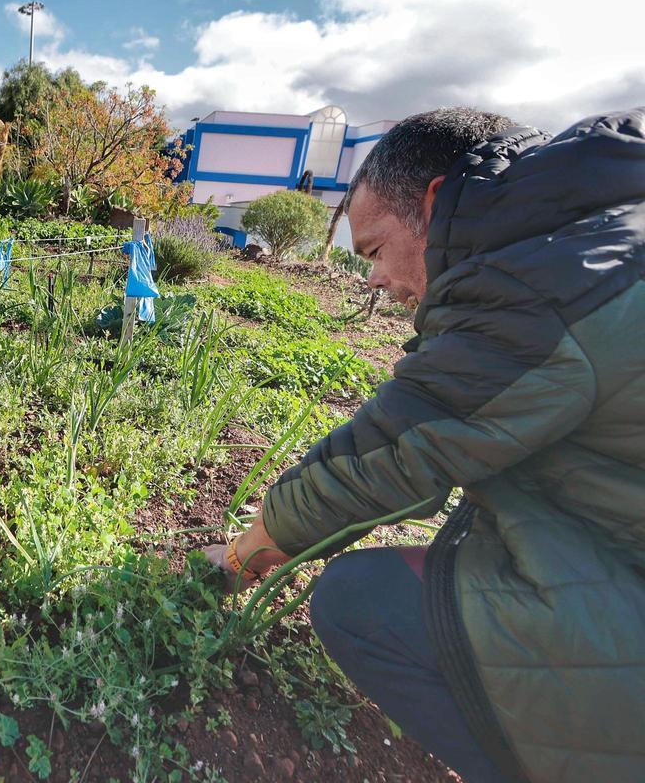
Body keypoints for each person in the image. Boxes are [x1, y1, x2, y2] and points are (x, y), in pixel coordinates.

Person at [202, 107, 645, 782]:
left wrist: (237, 560)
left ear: (435, 201)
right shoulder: (596, 235)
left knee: (359, 601)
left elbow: (384, 462)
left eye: (375, 250)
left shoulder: (541, 285)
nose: (372, 280)